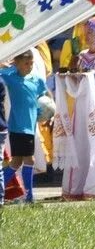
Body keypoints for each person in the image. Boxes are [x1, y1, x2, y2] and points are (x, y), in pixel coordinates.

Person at [0, 49, 49, 202]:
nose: (29, 66)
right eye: (26, 63)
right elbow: (2, 73)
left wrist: (49, 109)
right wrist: (6, 65)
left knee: (17, 162)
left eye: (31, 63)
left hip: (30, 126)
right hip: (17, 127)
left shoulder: (36, 80)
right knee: (29, 160)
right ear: (17, 64)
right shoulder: (11, 77)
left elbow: (44, 95)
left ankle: (15, 193)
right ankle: (29, 197)